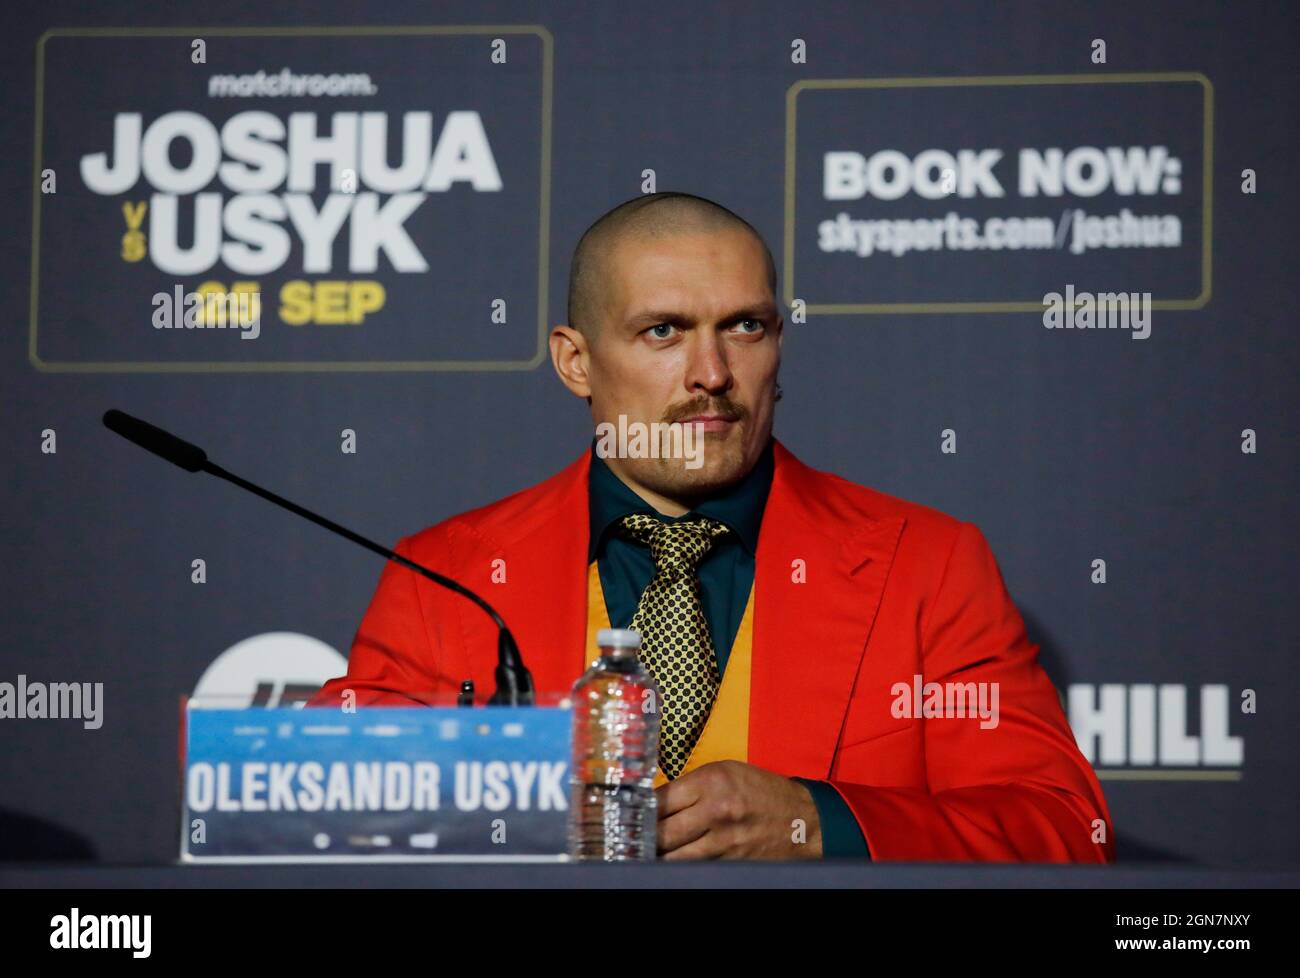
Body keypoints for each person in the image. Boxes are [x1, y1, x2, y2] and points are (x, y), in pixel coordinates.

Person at [308, 192, 1113, 863]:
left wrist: (817, 823)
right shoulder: (444, 575)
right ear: (575, 362)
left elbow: (1065, 831)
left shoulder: (928, 565)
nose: (713, 374)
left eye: (745, 326)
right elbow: (321, 811)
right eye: (664, 331)